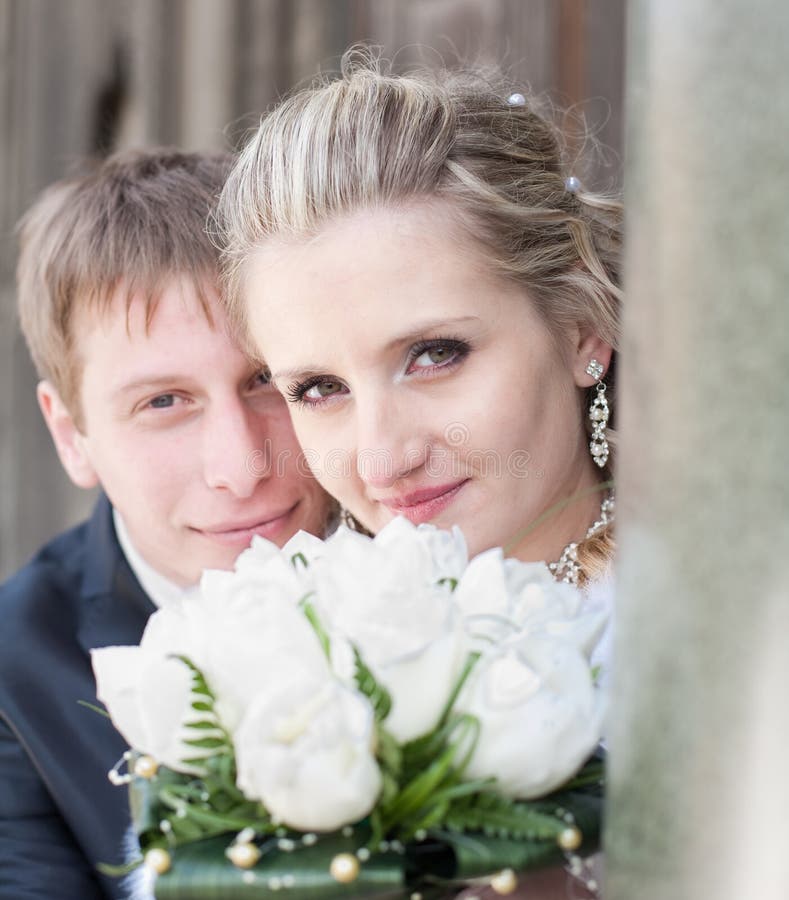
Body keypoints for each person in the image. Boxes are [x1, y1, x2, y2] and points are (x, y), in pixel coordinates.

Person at [215, 54, 621, 899]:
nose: (378, 457)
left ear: (581, 329)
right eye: (317, 389)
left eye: (435, 355)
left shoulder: (739, 637)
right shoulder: (271, 645)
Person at [0, 149, 332, 900]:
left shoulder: (436, 543)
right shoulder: (14, 680)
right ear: (70, 435)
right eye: (162, 403)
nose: (240, 466)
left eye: (266, 381)